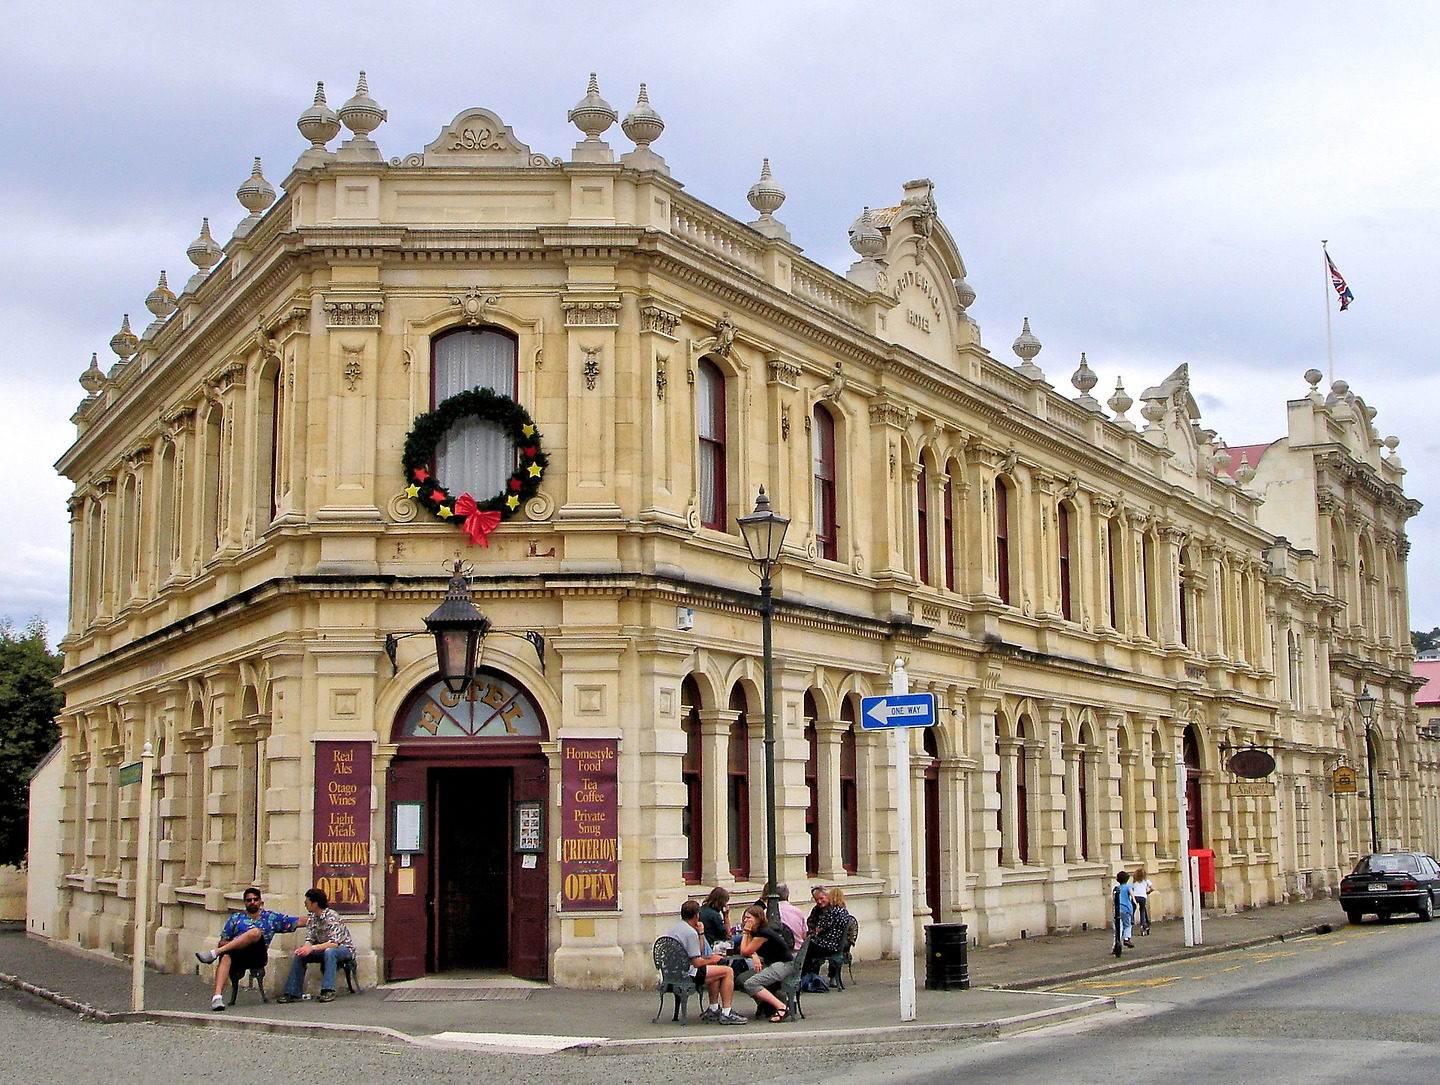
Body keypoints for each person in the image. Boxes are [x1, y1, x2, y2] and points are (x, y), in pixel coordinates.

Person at [195, 887, 299, 1011]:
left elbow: (295, 921)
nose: (252, 902)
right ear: (245, 902)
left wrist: (318, 916)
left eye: (255, 899)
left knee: (254, 932)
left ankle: (213, 954)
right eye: (249, 900)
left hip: (257, 955)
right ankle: (217, 997)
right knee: (226, 955)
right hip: (239, 955)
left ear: (261, 901)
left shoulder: (270, 917)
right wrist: (237, 944)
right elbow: (222, 941)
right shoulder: (236, 918)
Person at [664, 899, 748, 1025]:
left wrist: (701, 933)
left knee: (715, 969)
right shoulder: (690, 933)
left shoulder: (677, 928)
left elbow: (699, 951)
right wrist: (711, 959)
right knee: (727, 971)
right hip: (687, 974)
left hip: (673, 973)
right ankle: (726, 1012)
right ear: (697, 915)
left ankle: (713, 1009)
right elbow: (697, 962)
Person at [276, 887, 355, 1003]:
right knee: (300, 954)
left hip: (342, 949)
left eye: (307, 902)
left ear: (315, 904)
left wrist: (312, 948)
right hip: (322, 948)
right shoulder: (312, 918)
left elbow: (334, 943)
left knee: (330, 951)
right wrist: (305, 948)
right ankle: (292, 992)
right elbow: (310, 938)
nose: (305, 904)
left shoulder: (332, 917)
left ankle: (328, 990)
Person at [736, 904, 796, 1023]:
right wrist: (754, 955)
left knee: (751, 984)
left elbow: (744, 950)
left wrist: (745, 932)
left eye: (749, 918)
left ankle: (782, 1007)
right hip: (771, 964)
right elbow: (747, 950)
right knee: (741, 979)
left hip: (783, 965)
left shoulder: (764, 932)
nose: (745, 921)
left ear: (758, 919)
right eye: (745, 918)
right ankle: (765, 1005)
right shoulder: (755, 932)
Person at [802, 885, 852, 983]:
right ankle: (811, 976)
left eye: (822, 898)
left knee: (806, 948)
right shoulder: (843, 911)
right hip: (835, 943)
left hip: (829, 944)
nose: (819, 902)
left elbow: (819, 928)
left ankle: (806, 976)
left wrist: (811, 934)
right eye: (817, 899)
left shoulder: (832, 912)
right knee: (809, 946)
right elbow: (811, 922)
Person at [774, 883, 808, 952]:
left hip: (778, 953)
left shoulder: (768, 912)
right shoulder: (798, 911)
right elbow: (804, 935)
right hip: (798, 951)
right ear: (787, 895)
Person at [1113, 870, 1135, 950]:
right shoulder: (1128, 887)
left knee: (1118, 928)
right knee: (1128, 925)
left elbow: (1114, 898)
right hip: (1126, 909)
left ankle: (1115, 945)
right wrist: (1135, 901)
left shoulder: (1116, 888)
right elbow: (1132, 895)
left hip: (1117, 909)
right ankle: (1127, 939)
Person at [1132, 867, 1154, 935]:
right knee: (1142, 911)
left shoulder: (1134, 882)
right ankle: (1143, 924)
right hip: (1143, 897)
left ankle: (1131, 921)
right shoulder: (1146, 881)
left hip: (1135, 896)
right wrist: (1148, 892)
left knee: (1132, 909)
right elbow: (1152, 888)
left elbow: (1132, 889)